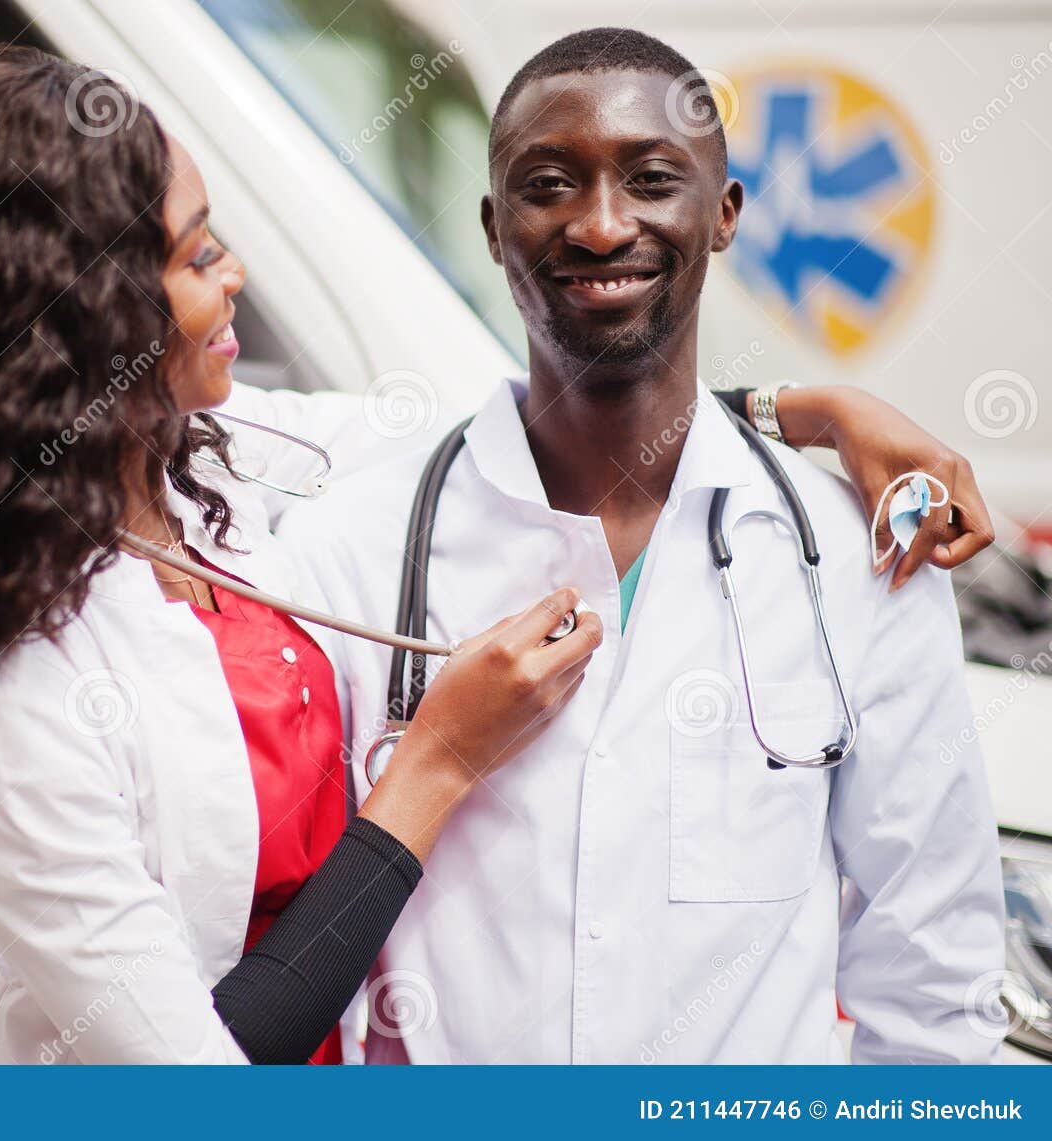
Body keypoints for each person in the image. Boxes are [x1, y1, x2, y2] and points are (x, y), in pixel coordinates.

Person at [0, 43, 996, 1064]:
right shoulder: (6, 681)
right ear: (80, 320)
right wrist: (437, 764)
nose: (233, 274)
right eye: (194, 256)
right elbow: (203, 1082)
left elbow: (564, 397)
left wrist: (815, 412)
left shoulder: (231, 459)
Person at [279, 27, 1006, 1063]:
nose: (601, 223)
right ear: (493, 227)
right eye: (548, 184)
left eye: (652, 180)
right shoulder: (348, 546)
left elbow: (932, 975)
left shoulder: (855, 562)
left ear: (723, 215)